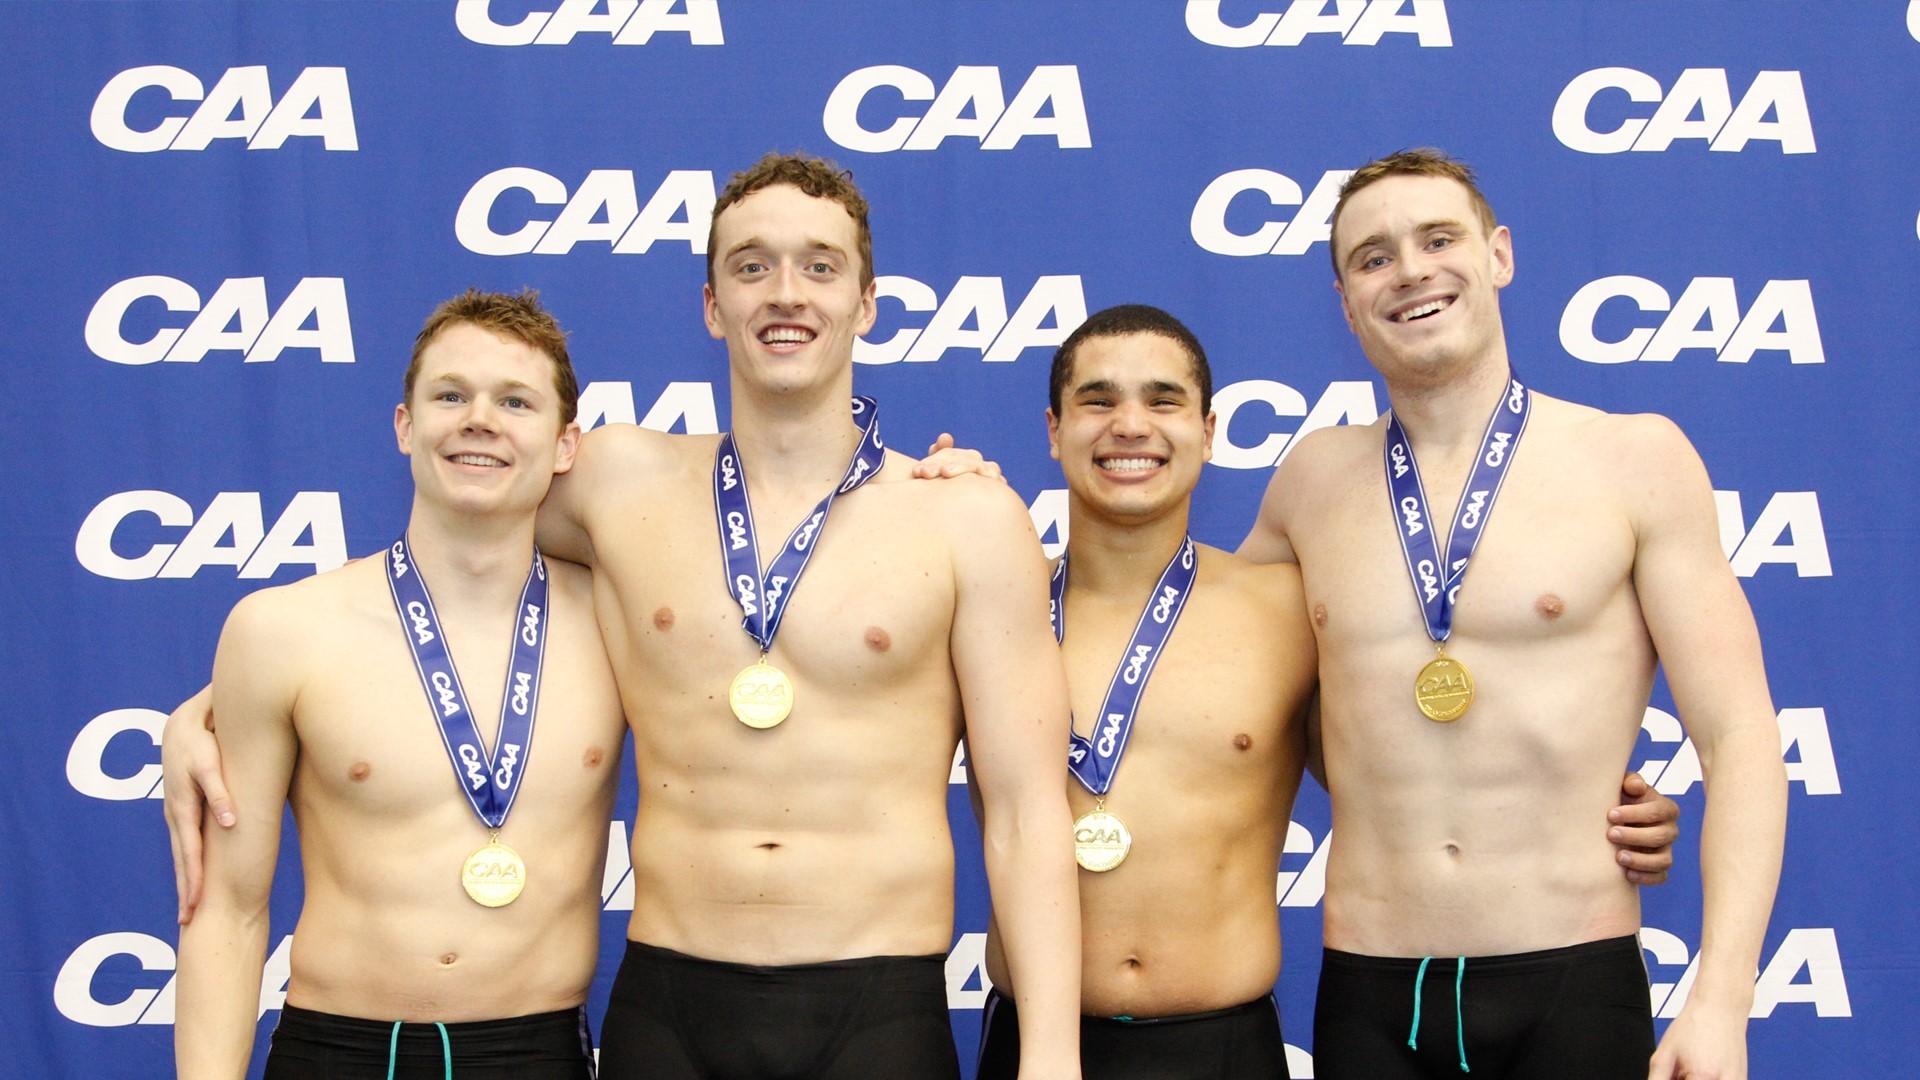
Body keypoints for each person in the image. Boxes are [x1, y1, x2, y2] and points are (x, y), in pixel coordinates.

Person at [168, 153, 1082, 1080]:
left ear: (867, 302)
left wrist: (1050, 1055)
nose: (785, 292)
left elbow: (1025, 812)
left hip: (877, 1002)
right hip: (671, 1002)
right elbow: (457, 544)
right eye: (751, 265)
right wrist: (223, 704)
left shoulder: (965, 517)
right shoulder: (617, 483)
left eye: (820, 265)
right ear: (711, 305)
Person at [973, 305, 1680, 1080]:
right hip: (1036, 1046)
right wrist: (941, 490)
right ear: (1054, 429)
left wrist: (1589, 800)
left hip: (1224, 1046)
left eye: (1164, 400)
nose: (1131, 425)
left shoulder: (1283, 608)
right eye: (1098, 400)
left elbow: (1416, 754)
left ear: (1209, 432)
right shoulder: (984, 610)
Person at [1238, 149, 1787, 1079]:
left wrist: (1723, 1001)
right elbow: (1186, 648)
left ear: (1498, 254)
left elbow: (1740, 736)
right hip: (1373, 987)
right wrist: (986, 513)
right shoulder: (1309, 482)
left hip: (1573, 975)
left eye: (1438, 239)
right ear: (1345, 302)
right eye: (1373, 257)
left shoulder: (1635, 460)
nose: (1410, 271)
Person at [174, 289, 626, 1078]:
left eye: (515, 401)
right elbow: (229, 914)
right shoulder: (282, 630)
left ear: (565, 444)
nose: (479, 419)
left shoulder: (622, 624)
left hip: (534, 1052)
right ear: (405, 425)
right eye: (450, 395)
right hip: (341, 1050)